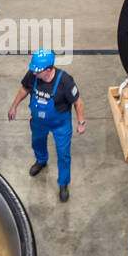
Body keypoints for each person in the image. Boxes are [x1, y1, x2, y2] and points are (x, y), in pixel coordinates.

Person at [7, 49, 86, 202]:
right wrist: (14, 106)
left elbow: (78, 102)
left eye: (37, 72)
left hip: (60, 124)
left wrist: (81, 122)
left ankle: (63, 183)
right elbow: (24, 89)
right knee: (37, 142)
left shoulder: (65, 81)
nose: (33, 74)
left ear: (48, 70)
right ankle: (41, 161)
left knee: (63, 154)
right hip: (38, 122)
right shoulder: (33, 74)